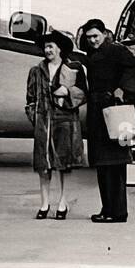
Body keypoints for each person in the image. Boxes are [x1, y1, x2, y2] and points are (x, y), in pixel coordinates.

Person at [81, 18, 135, 223]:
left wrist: (124, 89)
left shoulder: (116, 50)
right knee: (102, 163)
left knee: (116, 164)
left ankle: (117, 211)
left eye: (96, 36)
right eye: (89, 37)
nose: (92, 40)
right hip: (97, 112)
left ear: (104, 34)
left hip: (114, 110)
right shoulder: (92, 53)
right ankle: (107, 208)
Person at [25, 30, 86, 219]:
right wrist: (35, 116)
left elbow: (83, 93)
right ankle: (44, 204)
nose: (47, 50)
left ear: (60, 49)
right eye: (46, 46)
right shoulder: (36, 70)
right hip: (43, 122)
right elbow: (30, 97)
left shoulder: (73, 69)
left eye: (51, 46)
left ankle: (62, 202)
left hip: (65, 121)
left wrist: (67, 92)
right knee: (43, 165)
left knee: (63, 164)